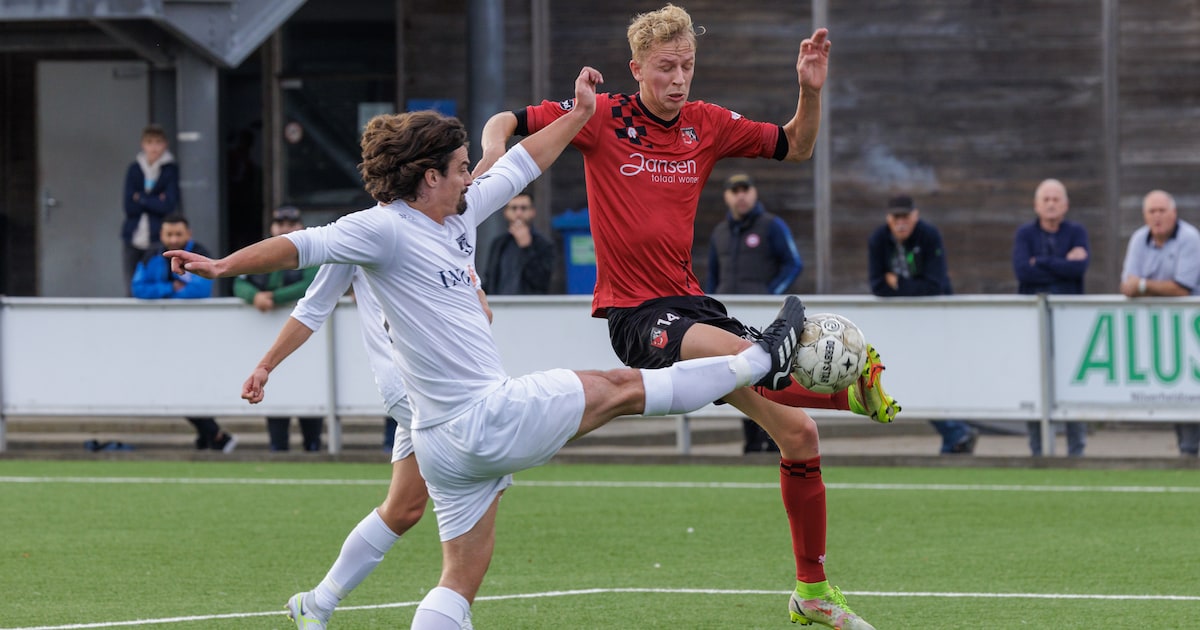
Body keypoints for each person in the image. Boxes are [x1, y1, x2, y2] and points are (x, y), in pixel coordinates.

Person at [166, 68, 810, 630]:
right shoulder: (382, 229)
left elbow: (526, 161)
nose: (473, 174)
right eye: (460, 166)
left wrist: (582, 115)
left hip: (443, 443)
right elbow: (299, 247)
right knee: (620, 389)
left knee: (457, 581)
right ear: (426, 178)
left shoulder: (460, 212)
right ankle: (757, 359)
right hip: (480, 417)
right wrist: (222, 267)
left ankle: (321, 603)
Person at [478, 10, 889, 626]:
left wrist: (808, 89)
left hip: (691, 304)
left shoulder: (709, 123)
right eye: (666, 68)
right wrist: (490, 151)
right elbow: (506, 120)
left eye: (687, 67)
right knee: (745, 355)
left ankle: (812, 593)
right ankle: (843, 390)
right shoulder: (603, 115)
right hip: (636, 315)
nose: (678, 80)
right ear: (636, 68)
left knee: (799, 436)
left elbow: (795, 145)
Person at [868, 195, 977, 455]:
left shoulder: (929, 236)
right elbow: (877, 285)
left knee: (935, 375)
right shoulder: (878, 240)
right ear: (888, 219)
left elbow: (935, 285)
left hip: (936, 319)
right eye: (896, 218)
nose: (901, 223)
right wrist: (903, 289)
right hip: (903, 323)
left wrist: (899, 285)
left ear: (915, 216)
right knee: (910, 377)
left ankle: (955, 432)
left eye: (906, 217)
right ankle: (955, 432)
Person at [706, 172, 803, 453]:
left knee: (769, 371)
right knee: (740, 374)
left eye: (745, 189)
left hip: (764, 317)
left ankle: (775, 438)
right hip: (729, 317)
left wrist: (771, 294)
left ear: (754, 193)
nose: (741, 195)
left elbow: (793, 264)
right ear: (727, 196)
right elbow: (713, 276)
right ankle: (751, 440)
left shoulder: (772, 226)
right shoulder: (720, 232)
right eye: (734, 190)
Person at [131, 213, 235, 453]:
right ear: (161, 235)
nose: (174, 238)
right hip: (161, 334)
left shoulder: (200, 253)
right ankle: (211, 436)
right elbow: (138, 288)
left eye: (178, 233)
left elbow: (199, 289)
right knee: (170, 385)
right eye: (169, 234)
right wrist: (170, 288)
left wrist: (163, 295)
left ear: (188, 234)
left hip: (194, 333)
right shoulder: (150, 256)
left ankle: (212, 435)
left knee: (188, 383)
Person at [234, 206, 324, 452]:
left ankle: (313, 444)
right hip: (271, 341)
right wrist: (254, 297)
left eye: (292, 222)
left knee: (311, 391)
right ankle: (278, 446)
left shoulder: (314, 251)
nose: (285, 228)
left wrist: (274, 297)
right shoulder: (262, 252)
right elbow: (239, 281)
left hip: (306, 342)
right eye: (280, 222)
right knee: (276, 393)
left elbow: (313, 283)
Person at [1119, 189, 1200, 457]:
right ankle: (1187, 451)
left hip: (1192, 329)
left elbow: (1182, 289)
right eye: (1152, 211)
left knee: (1192, 390)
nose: (1157, 216)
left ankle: (1189, 449)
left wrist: (1144, 285)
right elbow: (1126, 287)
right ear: (1145, 215)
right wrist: (1149, 287)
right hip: (1158, 332)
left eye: (1162, 210)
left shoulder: (1189, 239)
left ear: (1173, 213)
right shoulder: (1139, 240)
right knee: (1175, 392)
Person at [1012, 179, 1090, 456]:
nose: (1051, 203)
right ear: (1036, 205)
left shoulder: (1077, 232)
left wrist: (1041, 262)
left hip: (1070, 324)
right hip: (1032, 324)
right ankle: (1038, 450)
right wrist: (1062, 263)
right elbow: (1023, 272)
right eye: (1046, 199)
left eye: (1056, 199)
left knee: (1072, 385)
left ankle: (1076, 450)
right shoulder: (1025, 234)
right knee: (1034, 384)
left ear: (1066, 204)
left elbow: (1079, 268)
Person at [121, 124, 180, 295]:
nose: (154, 147)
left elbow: (168, 205)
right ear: (143, 144)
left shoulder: (170, 170)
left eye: (158, 142)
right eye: (149, 142)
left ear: (165, 144)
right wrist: (155, 200)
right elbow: (129, 206)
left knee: (157, 281)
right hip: (133, 235)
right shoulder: (134, 169)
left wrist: (141, 198)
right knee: (131, 286)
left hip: (158, 236)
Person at [483, 192, 556, 294]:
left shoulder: (543, 244)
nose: (518, 213)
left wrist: (526, 248)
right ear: (506, 212)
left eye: (524, 208)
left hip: (529, 307)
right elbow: (490, 279)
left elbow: (542, 281)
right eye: (514, 208)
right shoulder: (499, 243)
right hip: (499, 306)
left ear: (532, 212)